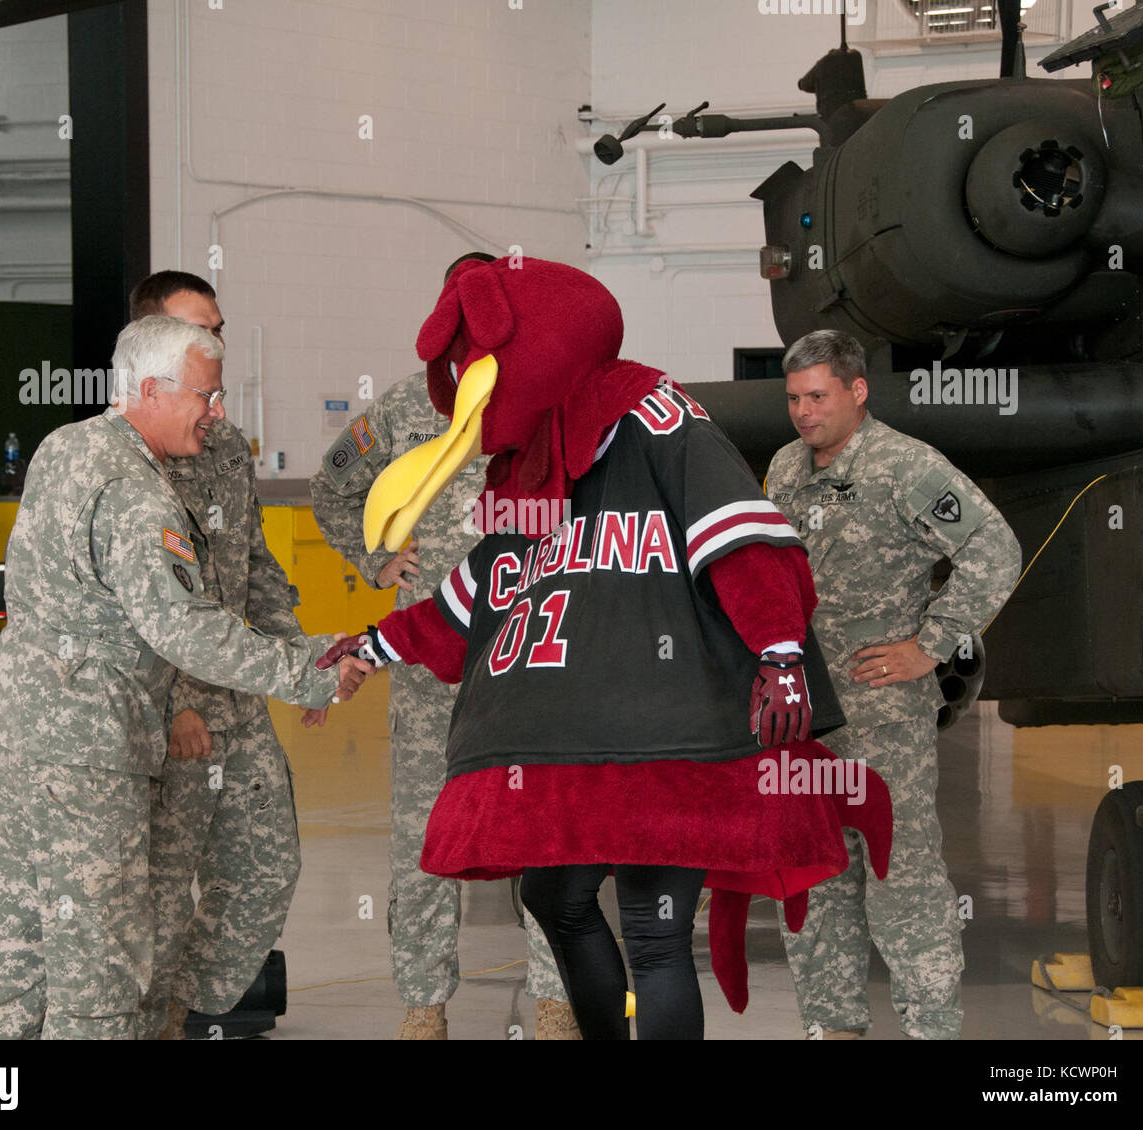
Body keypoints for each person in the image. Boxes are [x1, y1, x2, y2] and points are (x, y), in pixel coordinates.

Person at [318, 258, 884, 1039]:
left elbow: (745, 540)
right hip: (566, 742)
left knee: (654, 934)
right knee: (555, 898)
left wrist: (781, 653)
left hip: (669, 735)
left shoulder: (656, 414)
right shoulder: (530, 468)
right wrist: (370, 645)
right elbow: (472, 599)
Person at [0, 316, 371, 1040]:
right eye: (205, 398)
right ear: (149, 388)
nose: (216, 415)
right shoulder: (138, 493)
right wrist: (306, 674)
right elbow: (184, 627)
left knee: (11, 965)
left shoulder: (65, 446)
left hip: (21, 725)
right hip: (88, 744)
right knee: (100, 978)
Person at [309, 252, 577, 1040]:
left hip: (533, 655)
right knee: (425, 832)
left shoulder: (546, 396)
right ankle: (423, 1004)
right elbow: (333, 485)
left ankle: (558, 999)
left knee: (544, 826)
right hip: (429, 665)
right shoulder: (402, 406)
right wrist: (373, 560)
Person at [765, 329, 1020, 1040]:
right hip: (804, 717)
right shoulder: (785, 467)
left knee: (899, 878)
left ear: (857, 390)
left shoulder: (906, 466)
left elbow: (994, 550)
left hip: (882, 718)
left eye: (817, 397)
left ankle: (932, 1028)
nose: (804, 413)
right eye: (793, 399)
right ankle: (831, 1026)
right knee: (813, 879)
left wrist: (930, 647)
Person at [120, 271, 315, 1040]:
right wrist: (177, 703)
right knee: (162, 894)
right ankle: (144, 1021)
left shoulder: (225, 441)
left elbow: (252, 565)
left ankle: (181, 1010)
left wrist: (302, 662)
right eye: (199, 331)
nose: (215, 345)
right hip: (173, 708)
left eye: (220, 329)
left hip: (239, 693)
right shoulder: (129, 453)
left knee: (268, 867)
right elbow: (134, 606)